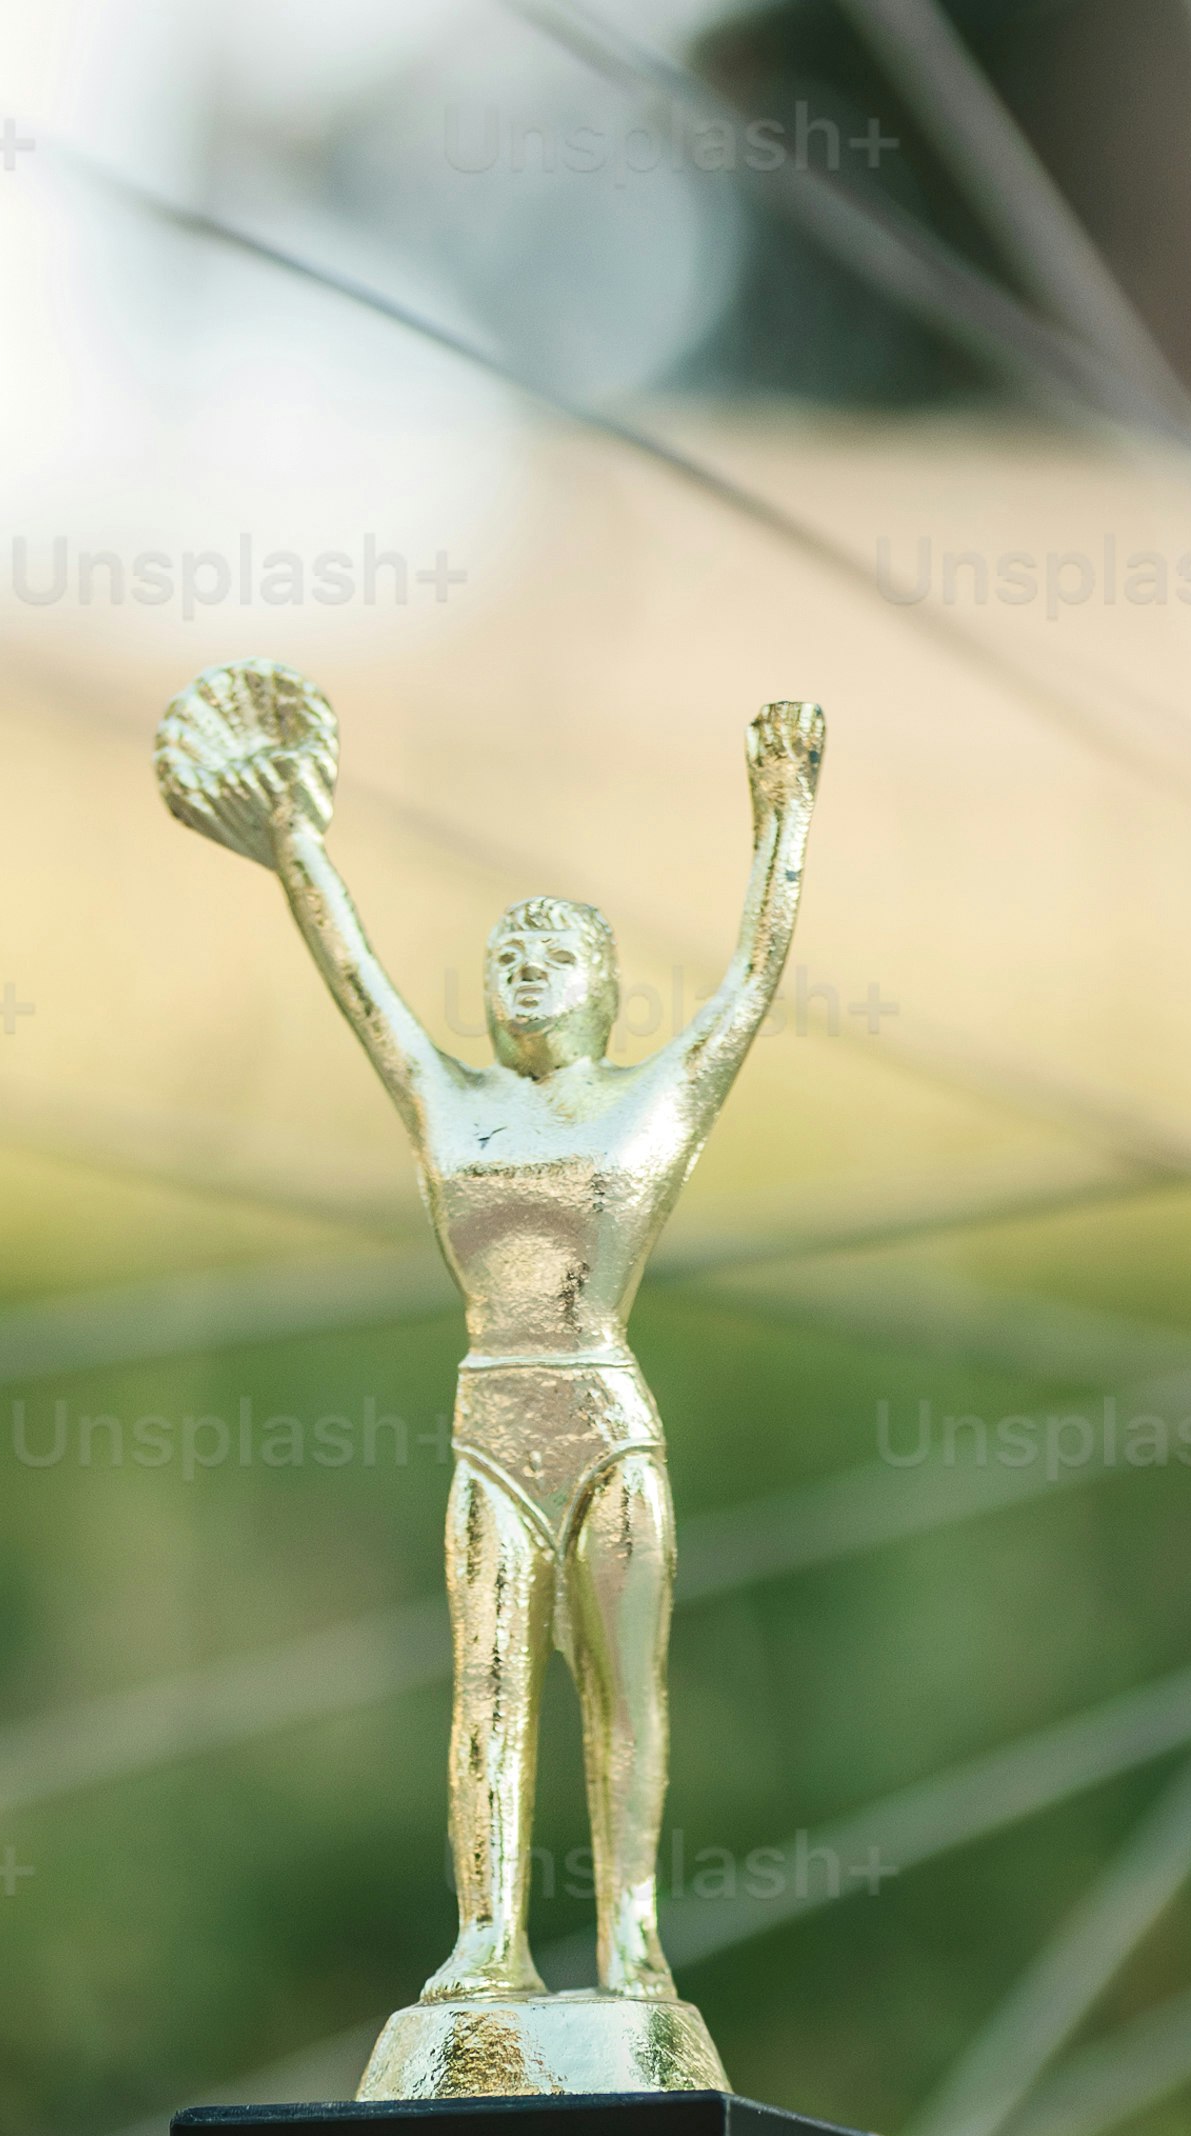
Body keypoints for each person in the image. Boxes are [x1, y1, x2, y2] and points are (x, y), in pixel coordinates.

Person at [158, 666, 826, 2059]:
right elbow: (356, 981)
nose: (520, 972)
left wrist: (784, 818)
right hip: (489, 1420)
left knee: (622, 1686)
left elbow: (754, 979)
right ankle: (487, 1938)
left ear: (603, 990)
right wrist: (295, 845)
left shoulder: (659, 1097)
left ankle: (632, 1931)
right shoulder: (447, 1102)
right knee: (488, 1685)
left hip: (603, 1415)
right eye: (502, 960)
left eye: (551, 957)